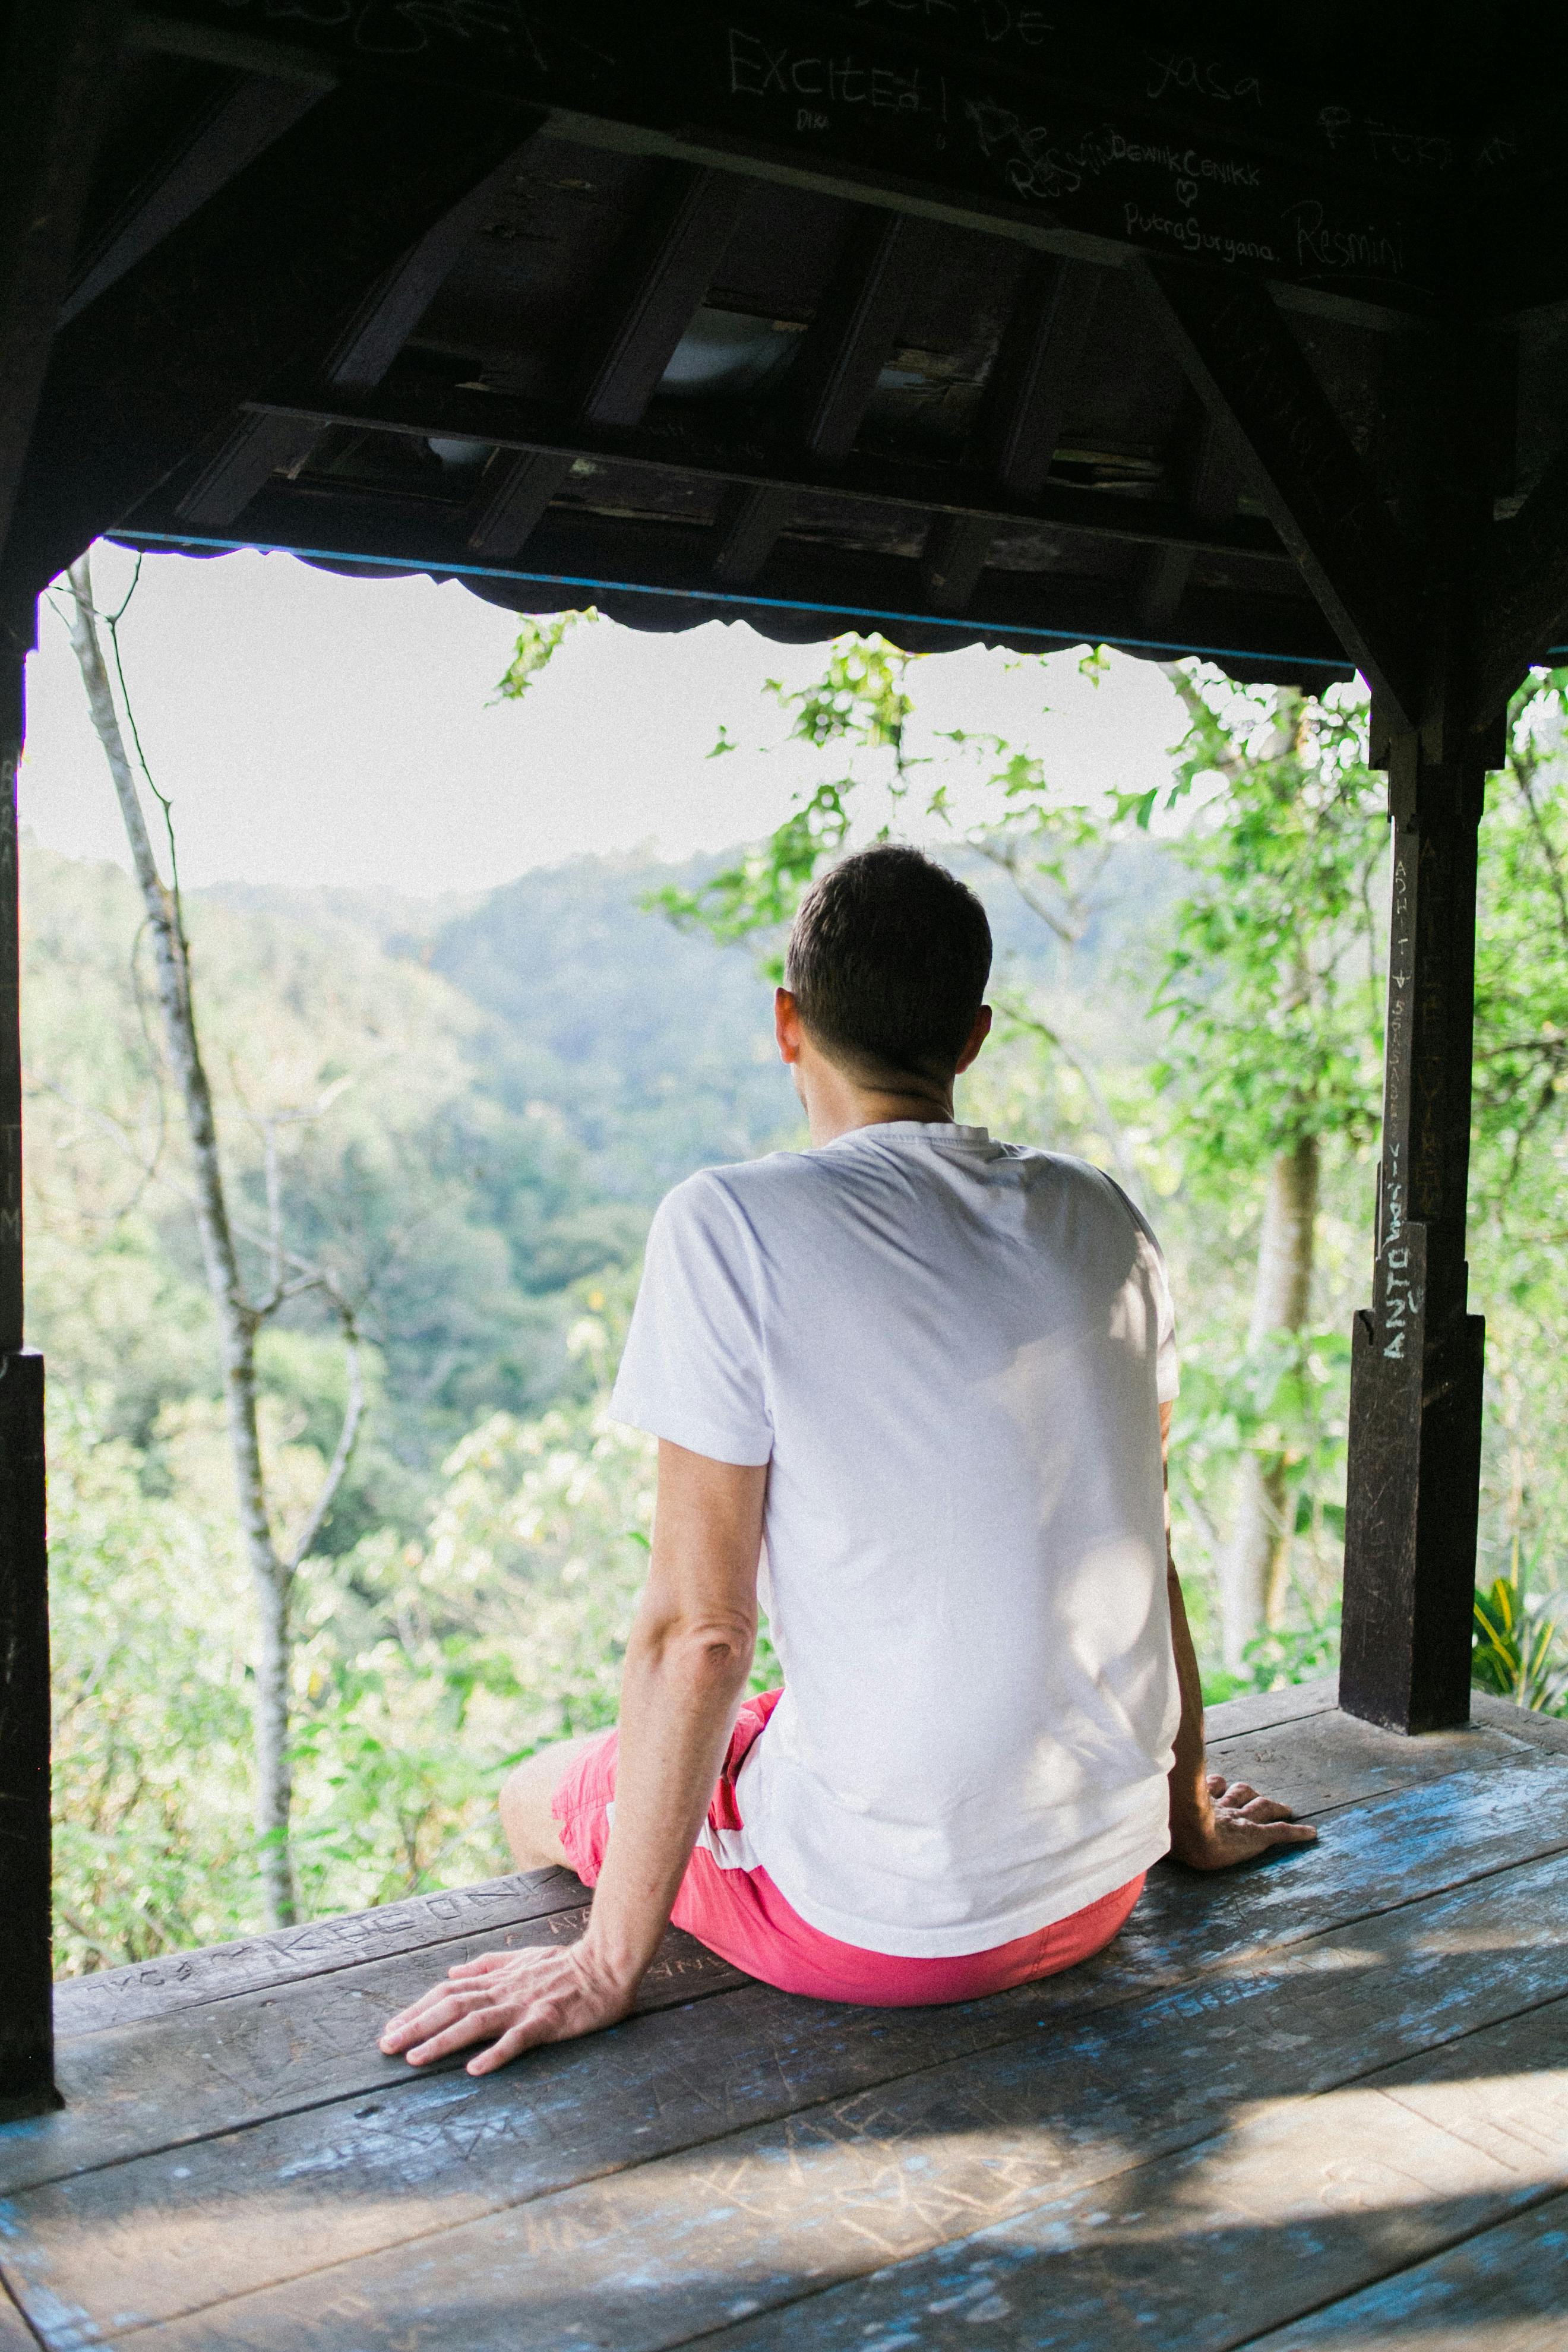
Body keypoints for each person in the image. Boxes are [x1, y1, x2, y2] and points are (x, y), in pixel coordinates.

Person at [381, 845, 1314, 2076]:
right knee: (779, 1723)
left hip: (893, 1926)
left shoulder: (729, 1225)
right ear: (973, 1038)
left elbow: (700, 1636)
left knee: (532, 1789)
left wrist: (606, 1966)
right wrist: (1186, 1815)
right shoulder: (1104, 1215)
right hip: (1104, 1876)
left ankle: (606, 1980)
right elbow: (1144, 1548)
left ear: (787, 1024)